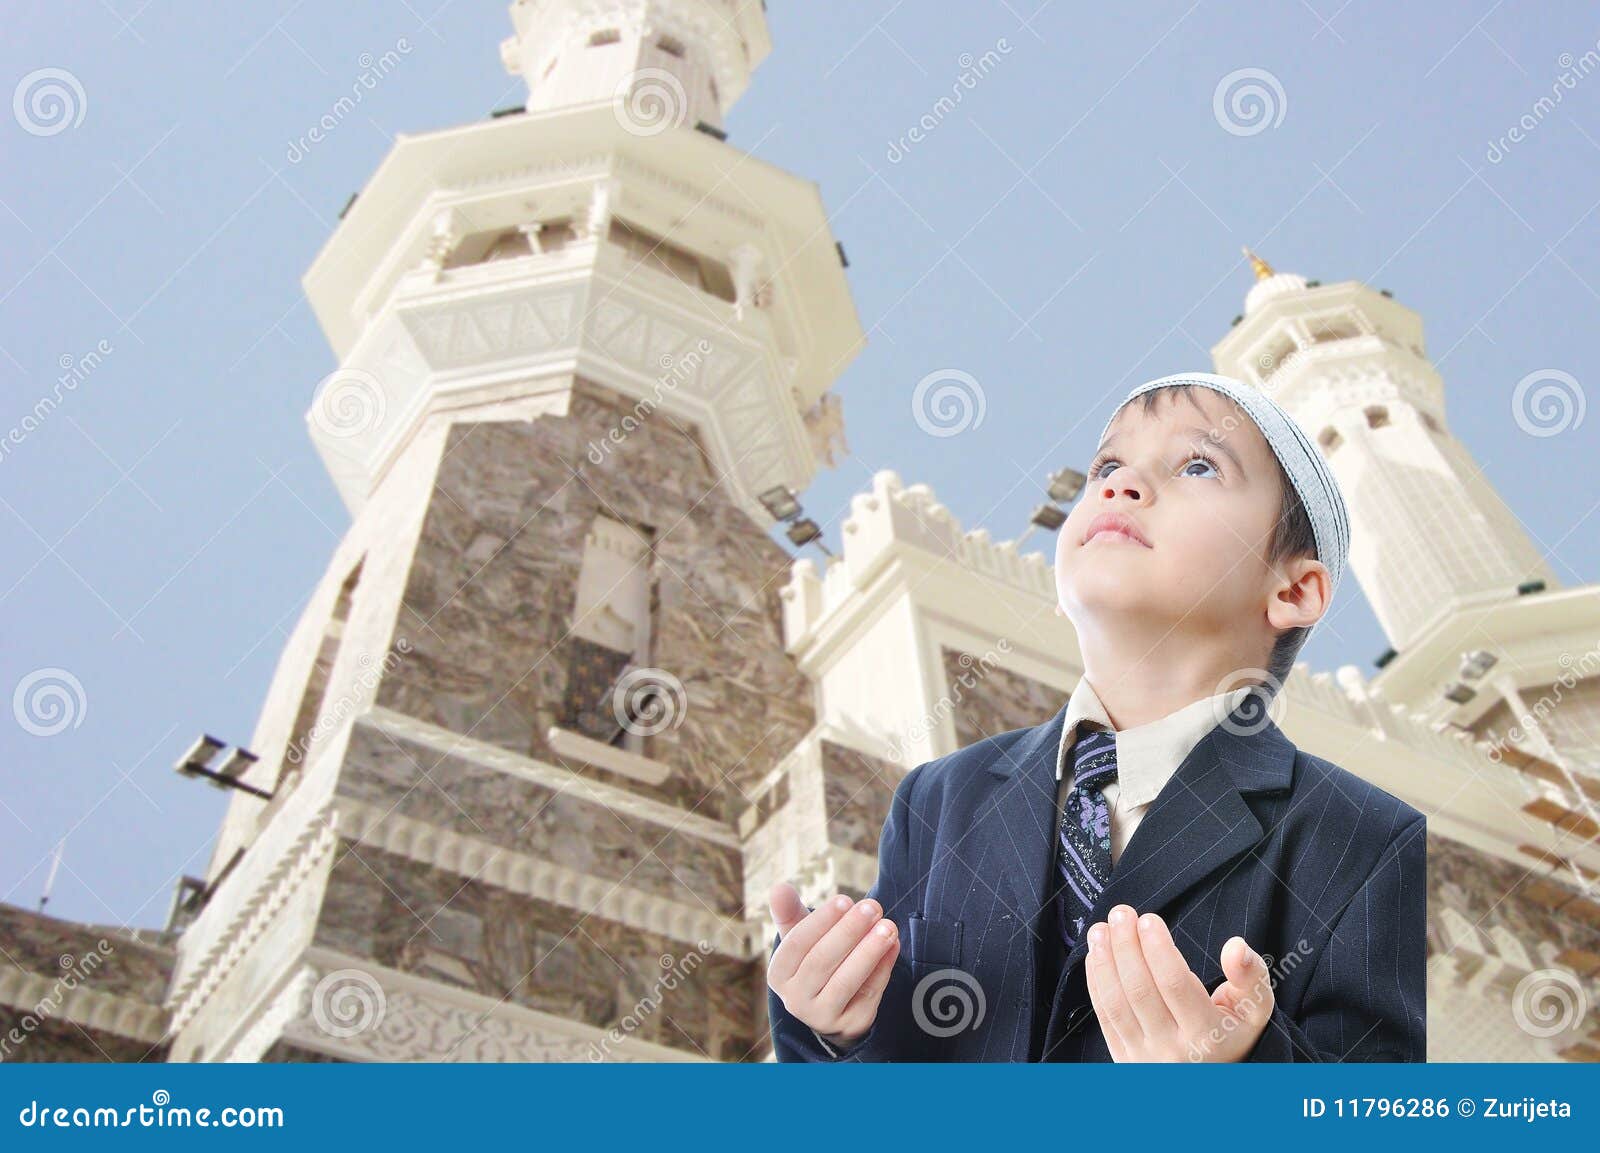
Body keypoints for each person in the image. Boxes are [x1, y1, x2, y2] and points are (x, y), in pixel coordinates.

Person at [765, 372, 1426, 1061]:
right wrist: (832, 1026)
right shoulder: (939, 799)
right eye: (1108, 465)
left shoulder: (1362, 838)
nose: (1120, 484)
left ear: (1292, 587)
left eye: (1199, 464)